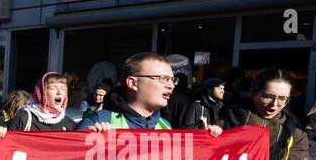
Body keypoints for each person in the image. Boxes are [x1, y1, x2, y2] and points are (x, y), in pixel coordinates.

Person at [78, 52, 222, 135]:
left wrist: (208, 141)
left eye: (173, 79)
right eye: (163, 79)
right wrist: (90, 140)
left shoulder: (165, 126)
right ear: (133, 83)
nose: (171, 85)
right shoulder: (97, 121)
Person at [6, 72, 77, 131]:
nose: (59, 92)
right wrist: (0, 130)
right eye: (53, 88)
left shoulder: (69, 124)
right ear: (42, 92)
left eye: (63, 88)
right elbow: (8, 144)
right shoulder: (25, 118)